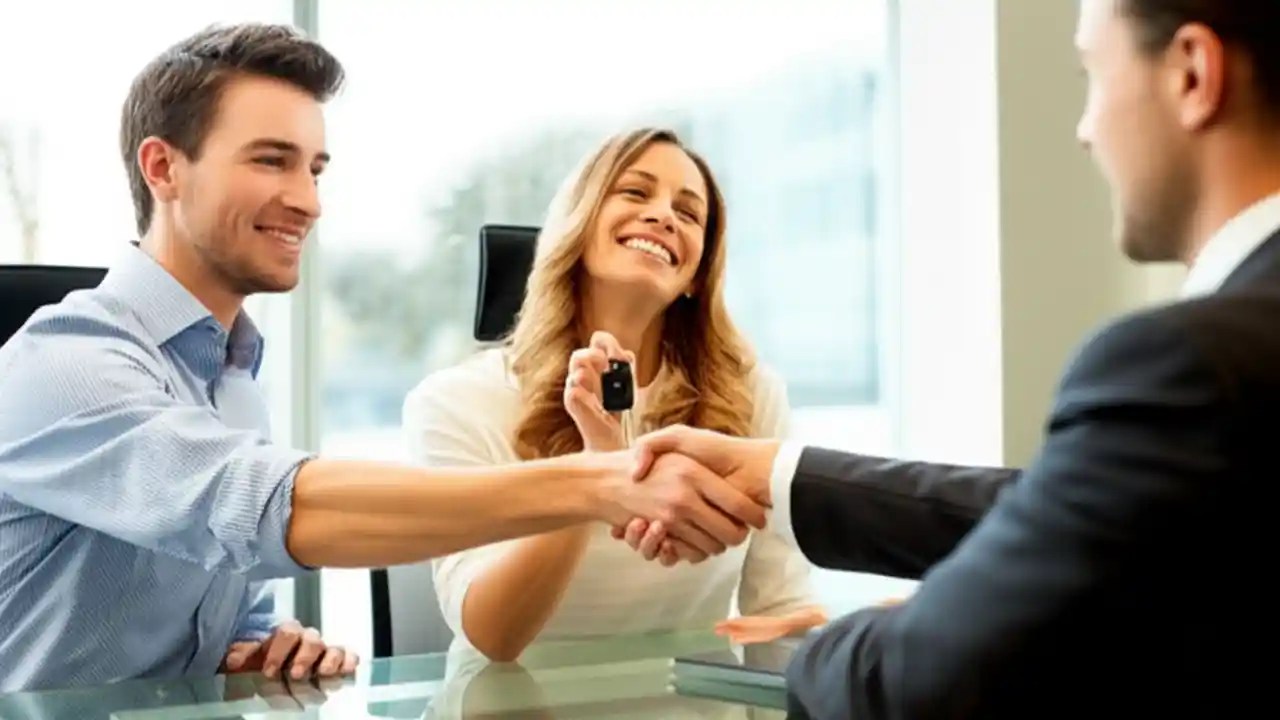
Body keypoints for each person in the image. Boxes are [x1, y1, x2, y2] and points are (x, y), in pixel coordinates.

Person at [0, 25, 766, 693]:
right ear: (163, 168)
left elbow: (228, 634)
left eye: (316, 168)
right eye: (272, 161)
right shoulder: (64, 363)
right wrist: (601, 482)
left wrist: (264, 655)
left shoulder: (233, 382)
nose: (307, 200)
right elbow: (277, 507)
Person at [619, 0, 1280, 717]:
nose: (1084, 131)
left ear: (1192, 73)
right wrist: (778, 477)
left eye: (1092, 73)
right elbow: (1084, 509)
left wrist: (879, 628)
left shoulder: (1187, 362)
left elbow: (928, 675)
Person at [403, 128, 826, 663]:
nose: (664, 216)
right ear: (576, 227)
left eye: (689, 213)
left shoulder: (751, 395)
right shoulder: (456, 402)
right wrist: (597, 473)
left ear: (698, 273)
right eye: (634, 192)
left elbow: (779, 609)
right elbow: (492, 633)